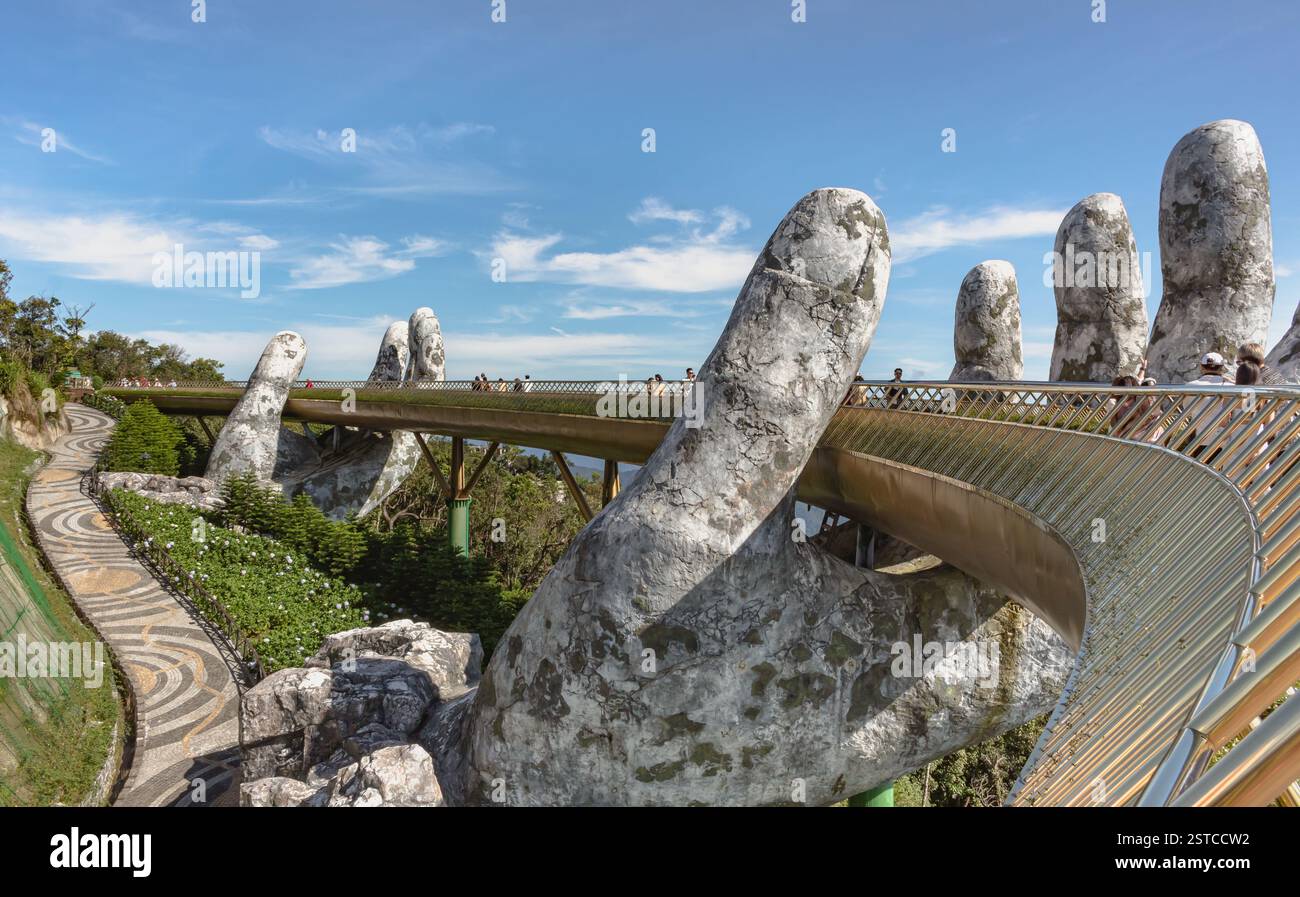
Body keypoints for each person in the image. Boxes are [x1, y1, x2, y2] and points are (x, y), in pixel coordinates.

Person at [1186, 352, 1233, 459]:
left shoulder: (1190, 386)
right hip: (1222, 440)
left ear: (1202, 367)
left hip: (1197, 439)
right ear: (1221, 367)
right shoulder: (1231, 387)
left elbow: (1187, 411)